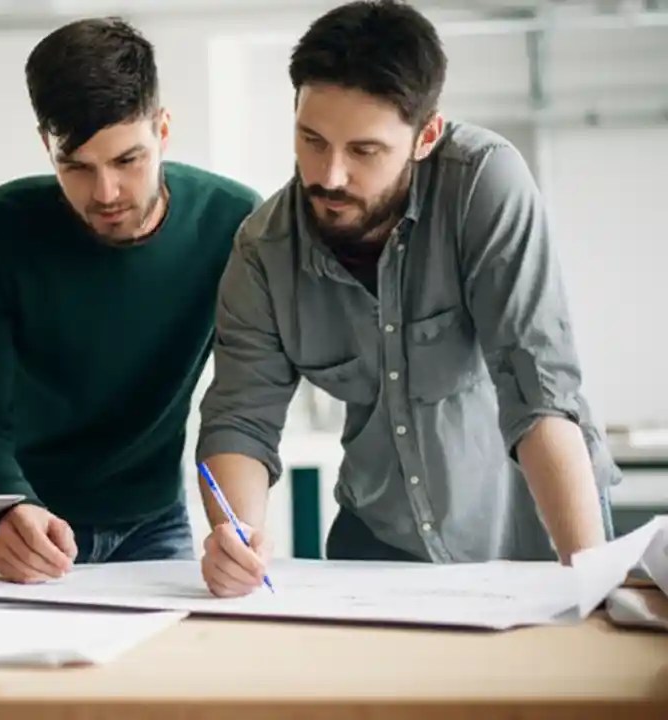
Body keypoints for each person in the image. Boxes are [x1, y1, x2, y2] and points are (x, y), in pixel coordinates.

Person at [197, 0, 618, 597]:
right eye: (311, 140)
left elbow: (538, 389)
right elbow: (240, 420)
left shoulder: (483, 185)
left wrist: (589, 580)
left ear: (426, 136)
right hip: (380, 549)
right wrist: (235, 538)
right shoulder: (264, 250)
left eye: (364, 151)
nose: (330, 175)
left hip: (529, 538)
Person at [0, 18, 264, 583]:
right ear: (47, 146)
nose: (106, 194)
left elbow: (249, 402)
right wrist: (12, 510)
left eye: (128, 160)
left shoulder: (233, 224)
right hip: (13, 521)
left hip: (152, 525)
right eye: (76, 167)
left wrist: (237, 527)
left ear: (163, 130)